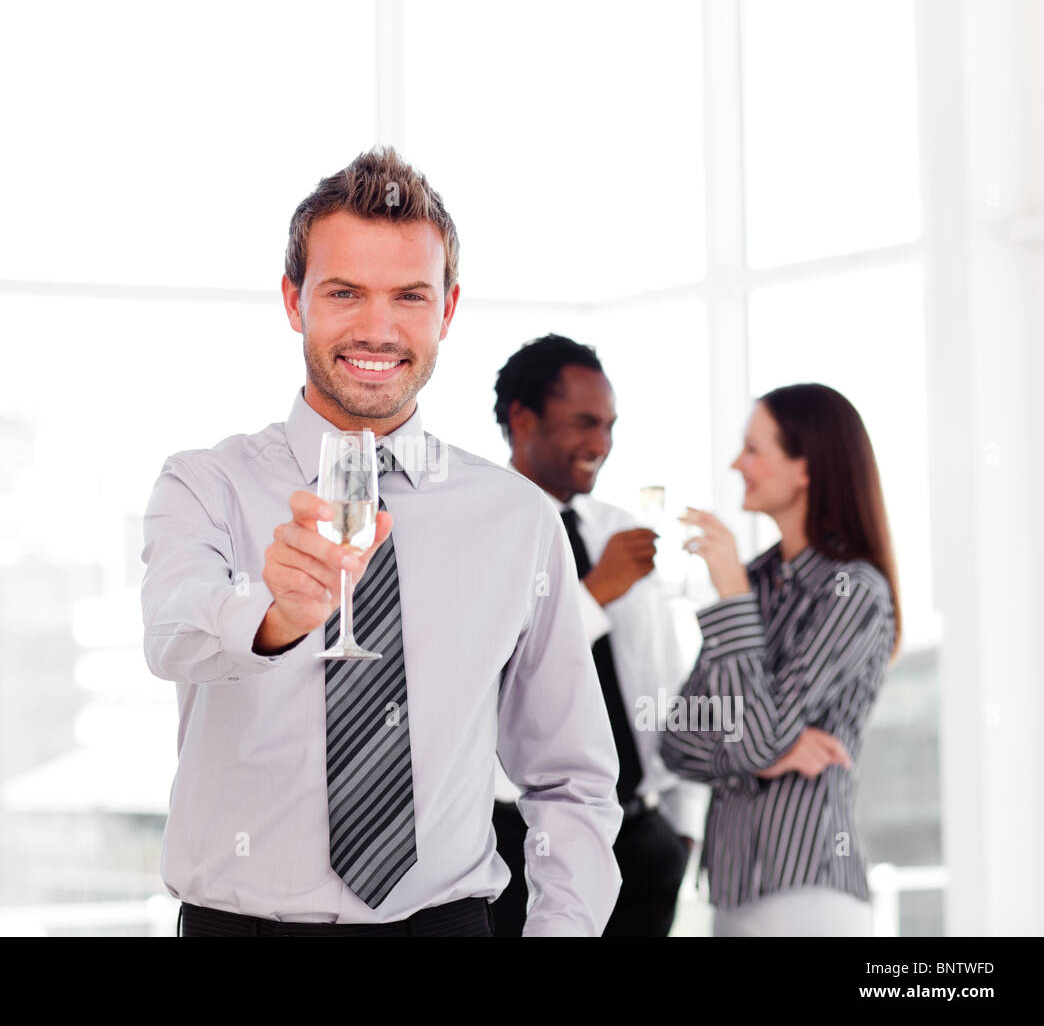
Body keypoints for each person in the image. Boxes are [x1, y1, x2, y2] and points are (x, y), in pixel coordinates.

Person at [140, 147, 623, 937]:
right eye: (344, 292)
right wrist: (274, 614)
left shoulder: (518, 519)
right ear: (295, 301)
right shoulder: (206, 484)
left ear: (448, 309)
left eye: (409, 296)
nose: (377, 328)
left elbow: (569, 775)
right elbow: (173, 632)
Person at [660, 383, 900, 937]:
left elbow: (754, 736)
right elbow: (677, 742)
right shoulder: (757, 582)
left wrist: (732, 599)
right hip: (732, 889)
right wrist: (766, 755)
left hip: (810, 892)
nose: (736, 463)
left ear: (806, 468)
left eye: (753, 449)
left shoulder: (854, 592)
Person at [489, 334, 709, 938]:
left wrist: (682, 823)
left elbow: (664, 682)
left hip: (640, 843)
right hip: (516, 843)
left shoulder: (624, 534)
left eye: (610, 426)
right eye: (584, 423)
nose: (602, 445)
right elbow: (489, 680)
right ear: (522, 417)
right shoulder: (482, 535)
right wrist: (598, 591)